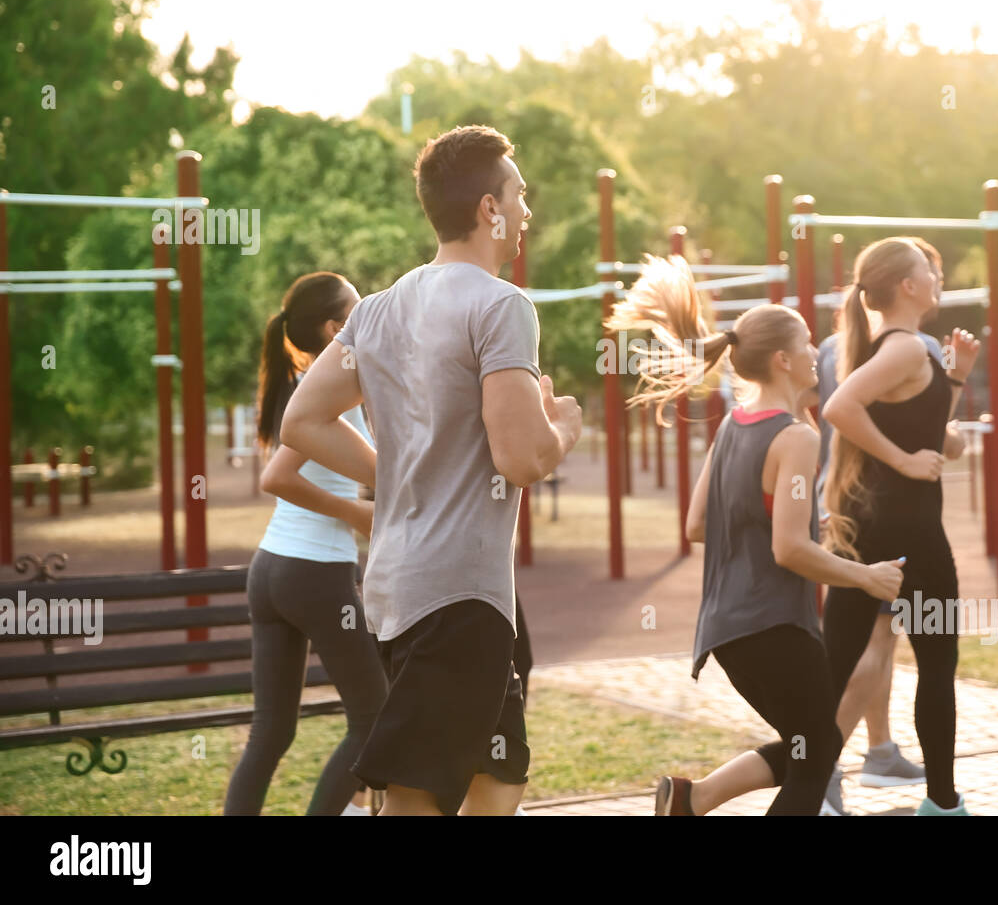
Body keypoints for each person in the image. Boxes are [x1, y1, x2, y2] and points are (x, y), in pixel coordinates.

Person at [280, 125, 582, 816]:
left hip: (400, 590)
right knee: (417, 804)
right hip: (460, 601)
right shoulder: (502, 305)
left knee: (499, 780)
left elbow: (302, 422)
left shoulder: (379, 310)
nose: (527, 211)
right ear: (488, 209)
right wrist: (562, 424)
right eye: (520, 195)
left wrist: (396, 477)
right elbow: (522, 457)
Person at [607, 255, 904, 816]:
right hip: (772, 623)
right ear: (785, 360)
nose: (819, 353)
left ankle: (692, 800)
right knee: (817, 753)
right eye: (810, 343)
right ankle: (693, 801)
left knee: (807, 743)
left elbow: (699, 524)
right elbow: (788, 550)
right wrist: (866, 576)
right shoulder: (795, 436)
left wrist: (781, 515)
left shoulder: (732, 427)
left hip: (725, 627)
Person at [822, 237, 980, 816]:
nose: (938, 278)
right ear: (908, 287)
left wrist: (957, 381)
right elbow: (838, 408)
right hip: (908, 537)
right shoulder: (909, 348)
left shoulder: (912, 351)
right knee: (936, 666)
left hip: (875, 531)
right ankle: (941, 803)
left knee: (836, 668)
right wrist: (903, 461)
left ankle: (808, 785)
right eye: (929, 271)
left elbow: (939, 439)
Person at [223, 271, 388, 817]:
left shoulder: (317, 382)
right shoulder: (322, 387)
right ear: (335, 326)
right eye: (358, 308)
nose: (369, 314)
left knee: (271, 734)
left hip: (273, 570)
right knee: (372, 719)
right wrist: (358, 512)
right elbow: (276, 478)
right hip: (314, 574)